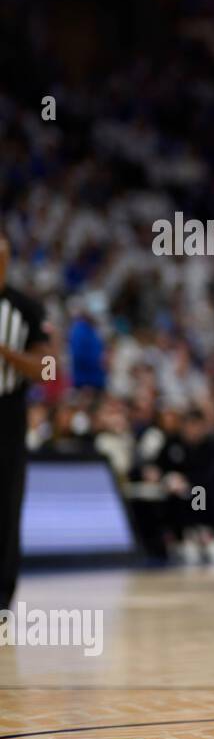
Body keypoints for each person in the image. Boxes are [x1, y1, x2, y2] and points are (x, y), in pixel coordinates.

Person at [0, 233, 54, 609]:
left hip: (7, 416)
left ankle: (2, 600)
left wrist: (5, 352)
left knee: (5, 506)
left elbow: (48, 369)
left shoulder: (27, 309)